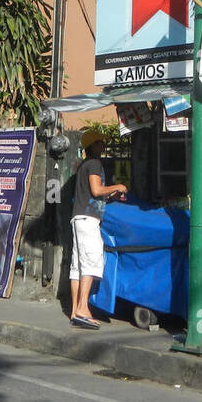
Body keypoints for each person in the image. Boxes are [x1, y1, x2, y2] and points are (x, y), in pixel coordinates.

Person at [68, 128, 127, 330]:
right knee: (92, 261)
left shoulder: (84, 165)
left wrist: (109, 194)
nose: (103, 146)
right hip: (88, 220)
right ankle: (84, 309)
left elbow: (95, 194)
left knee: (77, 266)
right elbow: (96, 190)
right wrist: (118, 186)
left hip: (79, 218)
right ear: (93, 146)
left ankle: (75, 310)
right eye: (100, 143)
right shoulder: (94, 163)